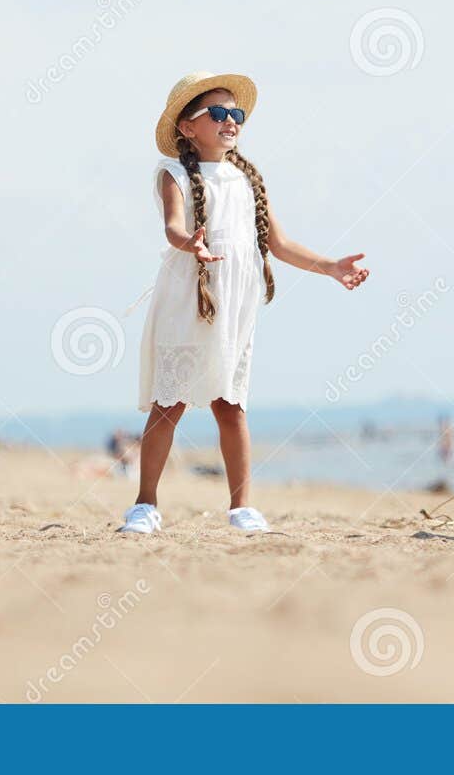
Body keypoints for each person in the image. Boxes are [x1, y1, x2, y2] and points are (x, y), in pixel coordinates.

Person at [119, 72, 370, 535]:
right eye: (217, 113)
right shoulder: (173, 173)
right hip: (187, 298)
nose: (230, 121)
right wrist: (188, 243)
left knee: (229, 405)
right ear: (188, 128)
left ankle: (241, 507)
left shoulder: (248, 179)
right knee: (168, 403)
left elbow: (279, 243)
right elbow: (173, 226)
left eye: (236, 114)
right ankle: (145, 503)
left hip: (234, 305)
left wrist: (331, 266)